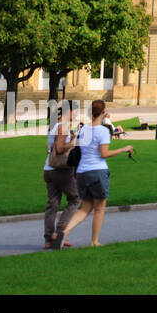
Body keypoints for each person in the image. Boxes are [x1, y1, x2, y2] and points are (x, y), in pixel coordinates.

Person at [55, 101, 134, 249]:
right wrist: (123, 149)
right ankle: (94, 241)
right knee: (99, 208)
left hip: (82, 172)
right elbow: (103, 154)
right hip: (97, 171)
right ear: (103, 111)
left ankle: (63, 233)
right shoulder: (103, 131)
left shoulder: (83, 129)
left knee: (85, 208)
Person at [43, 104, 79, 249]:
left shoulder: (53, 125)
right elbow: (59, 148)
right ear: (69, 111)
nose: (76, 114)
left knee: (53, 204)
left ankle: (48, 238)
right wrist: (73, 142)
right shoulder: (62, 126)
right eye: (76, 111)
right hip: (60, 169)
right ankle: (59, 234)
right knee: (75, 198)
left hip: (48, 168)